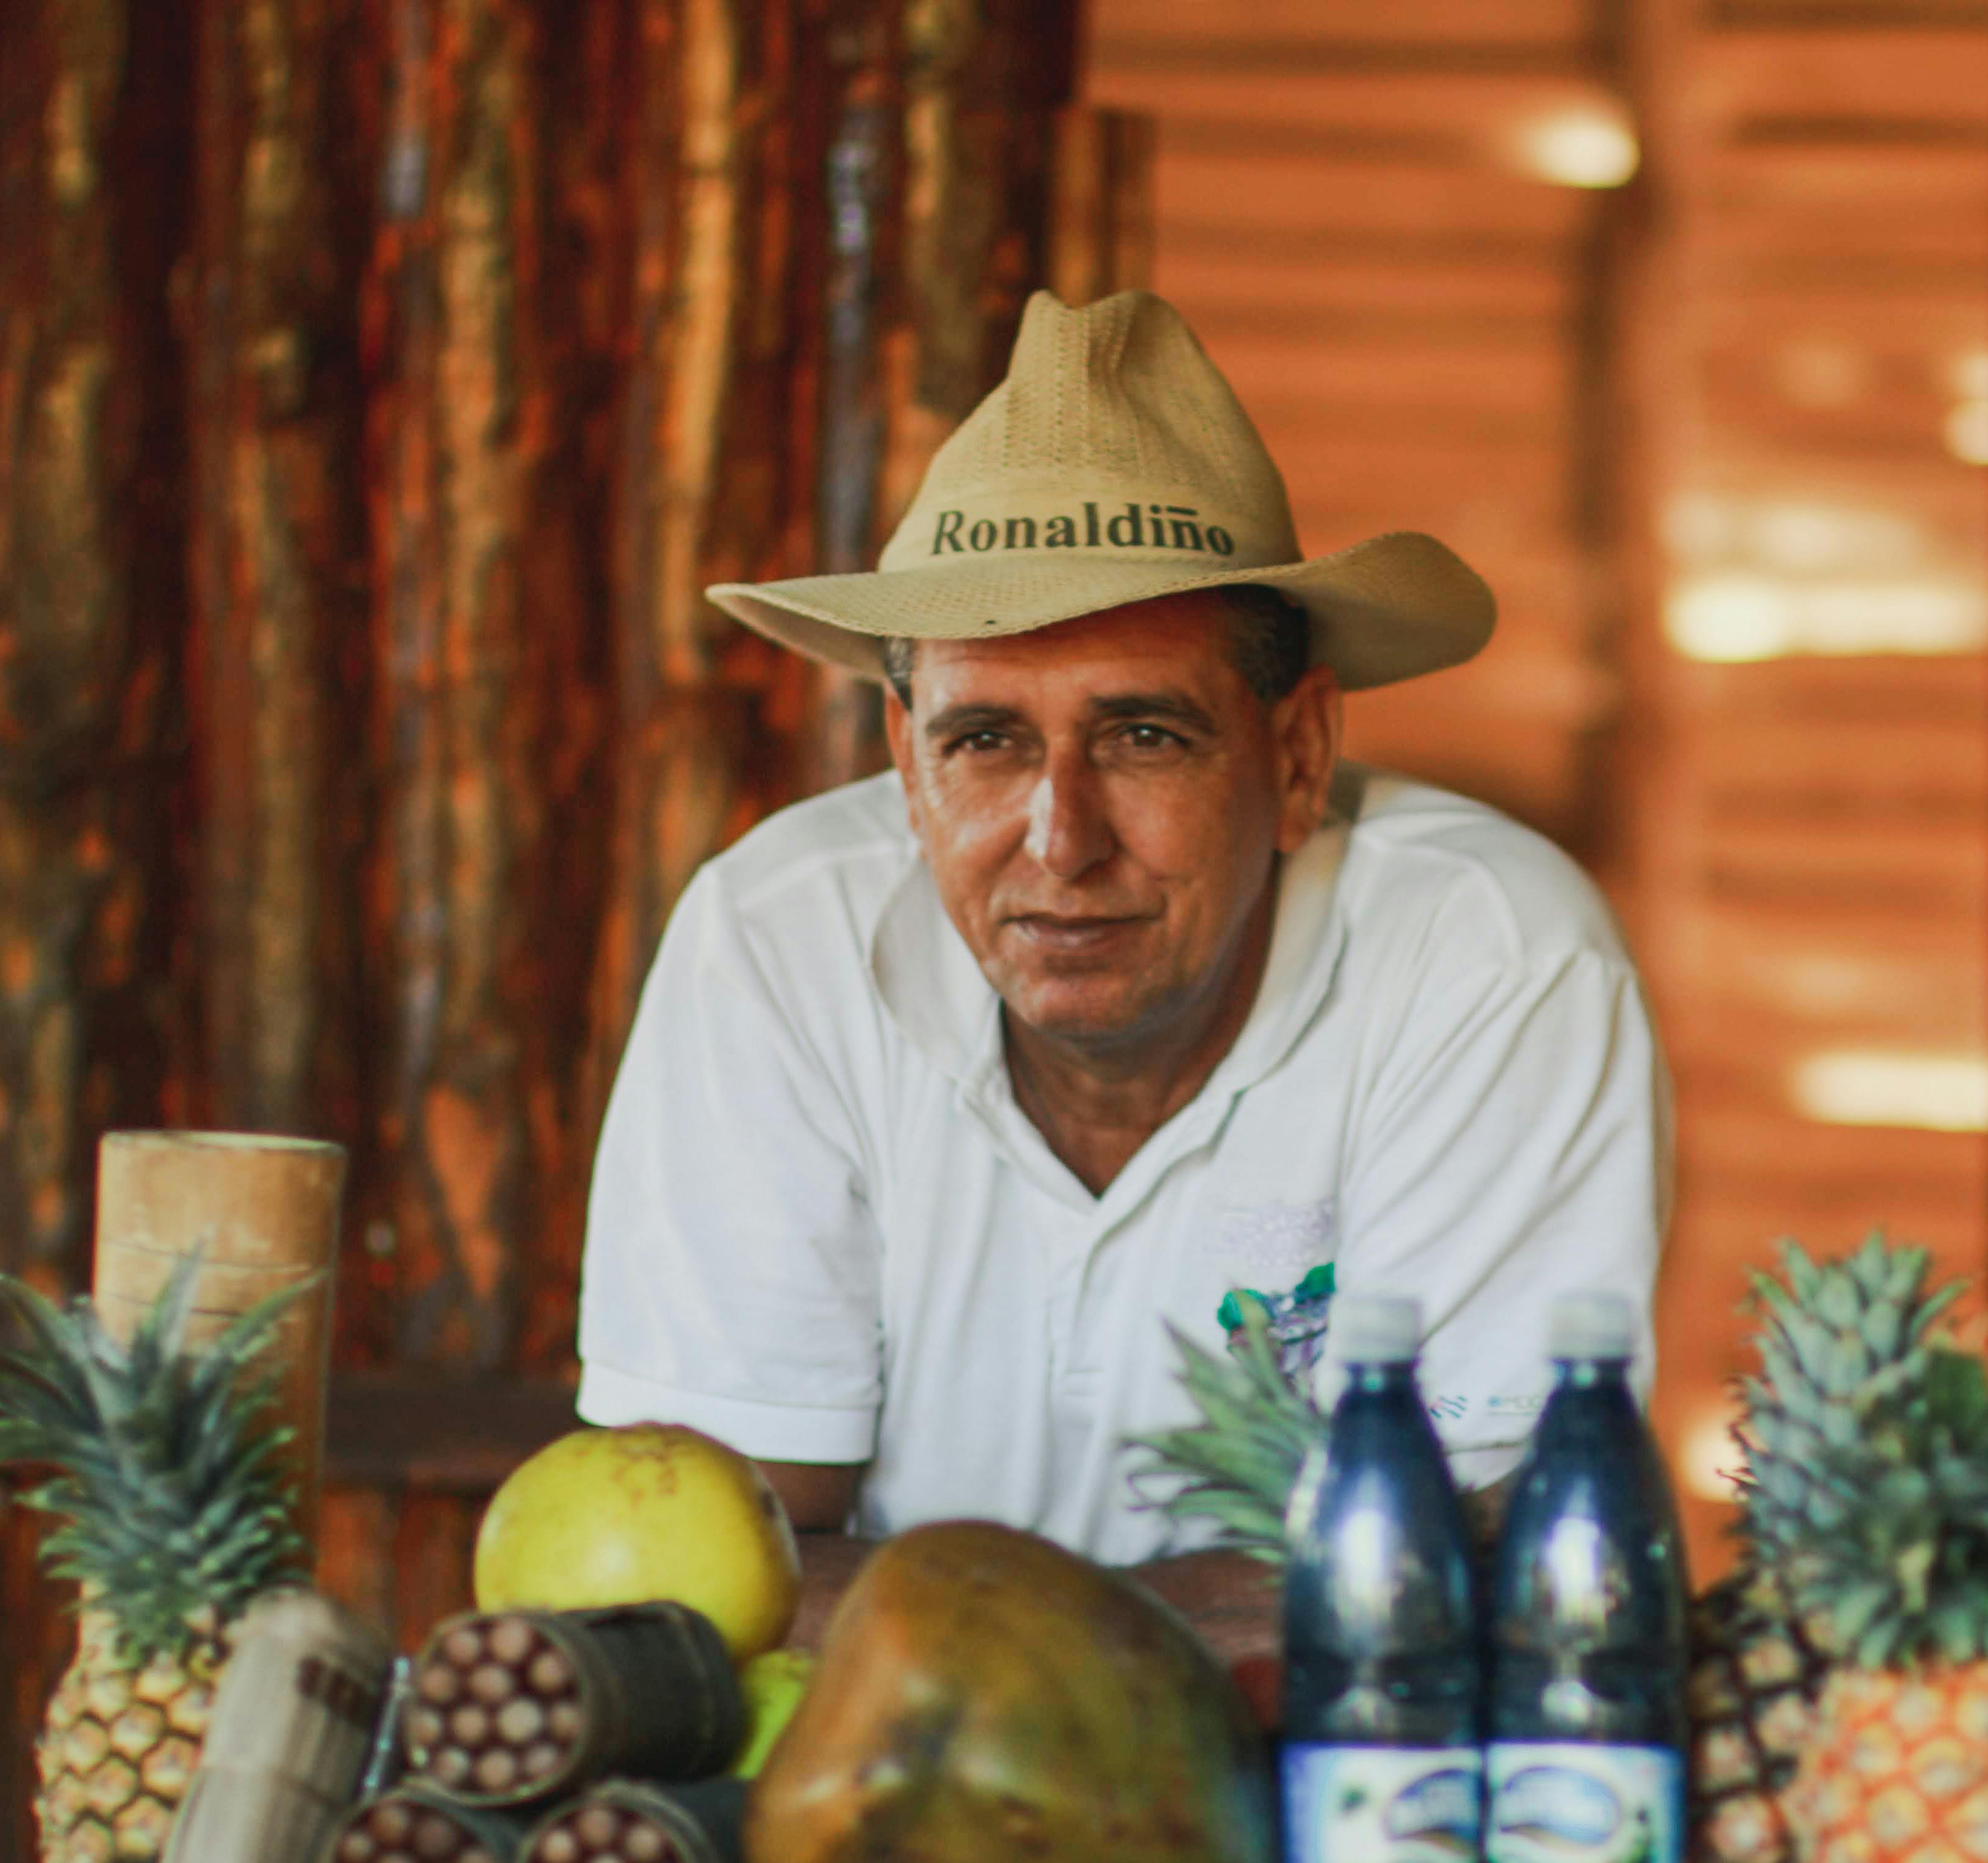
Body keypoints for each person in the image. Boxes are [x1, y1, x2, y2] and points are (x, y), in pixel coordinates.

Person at [575, 289, 1669, 1678]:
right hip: (875, 1806)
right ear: (906, 764)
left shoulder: (1487, 957)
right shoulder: (776, 943)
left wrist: (912, 1616)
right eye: (986, 741)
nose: (1061, 841)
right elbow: (710, 1591)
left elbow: (1473, 1574)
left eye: (1142, 736)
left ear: (1296, 757)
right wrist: (1206, 1613)